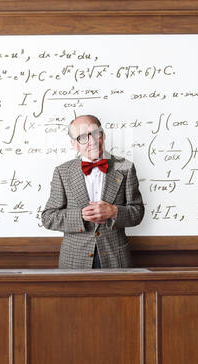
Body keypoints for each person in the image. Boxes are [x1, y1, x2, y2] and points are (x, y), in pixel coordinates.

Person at [40, 114, 145, 269]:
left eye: (96, 133)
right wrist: (80, 216)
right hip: (74, 260)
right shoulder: (62, 172)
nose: (93, 141)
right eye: (83, 137)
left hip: (115, 258)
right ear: (74, 144)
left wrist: (114, 211)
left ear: (103, 135)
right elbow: (48, 217)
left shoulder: (125, 167)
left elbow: (137, 212)